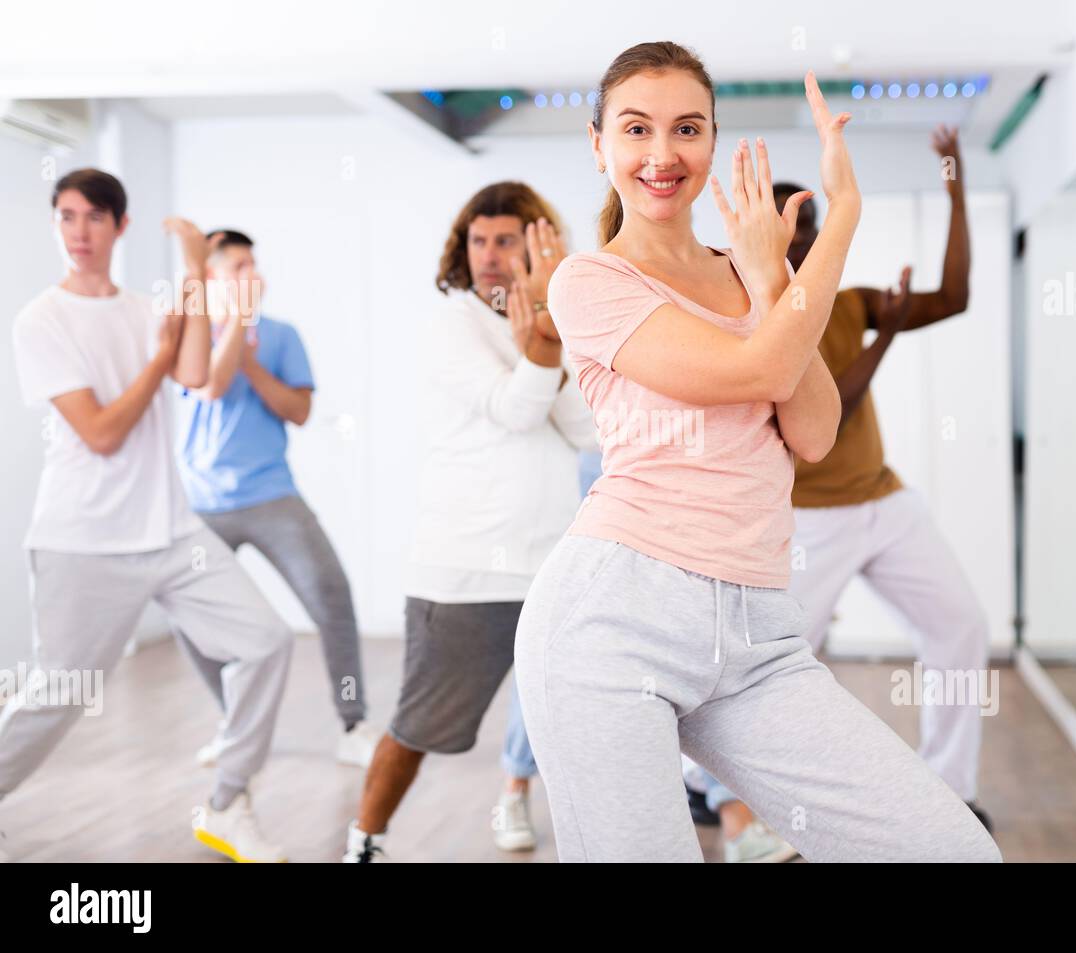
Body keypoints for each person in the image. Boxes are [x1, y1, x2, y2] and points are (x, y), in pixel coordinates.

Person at [513, 41, 1001, 862]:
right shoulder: (589, 283)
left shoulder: (751, 277)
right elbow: (758, 367)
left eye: (687, 129)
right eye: (636, 130)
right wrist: (839, 221)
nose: (663, 154)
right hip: (614, 618)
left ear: (712, 140)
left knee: (952, 850)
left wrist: (770, 276)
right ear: (598, 145)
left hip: (759, 630)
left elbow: (811, 432)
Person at [686, 126, 995, 836]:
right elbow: (833, 406)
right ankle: (702, 781)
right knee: (762, 669)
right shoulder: (746, 312)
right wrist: (884, 334)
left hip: (884, 503)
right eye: (793, 230)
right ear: (766, 231)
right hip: (807, 520)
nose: (804, 244)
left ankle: (951, 785)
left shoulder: (847, 302)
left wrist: (955, 189)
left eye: (814, 230)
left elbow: (954, 295)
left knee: (962, 627)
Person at [1, 169, 292, 863]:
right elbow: (102, 432)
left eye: (94, 218)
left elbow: (193, 373)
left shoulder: (141, 307)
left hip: (171, 532)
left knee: (266, 641)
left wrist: (194, 269)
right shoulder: (41, 320)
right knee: (59, 697)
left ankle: (227, 803)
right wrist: (158, 356)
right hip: (83, 542)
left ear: (120, 227)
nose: (78, 231)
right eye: (66, 216)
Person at [343, 183, 598, 862]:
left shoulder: (558, 325)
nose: (489, 255)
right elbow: (515, 409)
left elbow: (587, 426)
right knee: (419, 726)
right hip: (465, 570)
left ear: (538, 244)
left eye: (505, 240)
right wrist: (541, 343)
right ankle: (364, 842)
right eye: (478, 240)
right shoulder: (450, 323)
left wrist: (543, 337)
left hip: (553, 568)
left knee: (586, 723)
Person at [171, 228, 380, 769]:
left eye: (253, 265)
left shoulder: (283, 335)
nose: (252, 276)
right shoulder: (188, 334)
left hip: (271, 494)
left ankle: (354, 724)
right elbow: (209, 387)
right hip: (200, 504)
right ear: (211, 275)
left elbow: (299, 411)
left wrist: (252, 363)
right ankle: (233, 725)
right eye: (238, 267)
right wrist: (235, 330)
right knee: (188, 616)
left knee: (331, 595)